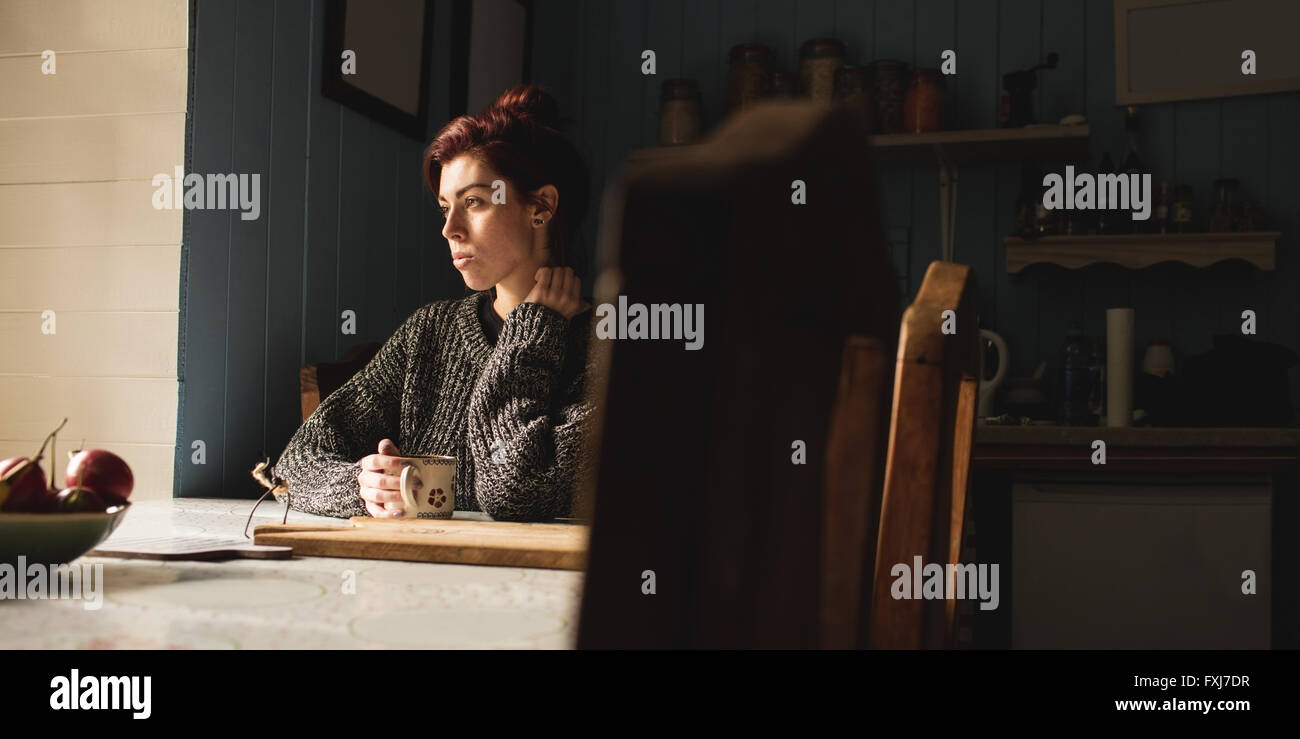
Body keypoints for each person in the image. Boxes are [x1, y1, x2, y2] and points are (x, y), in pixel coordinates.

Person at [253, 84, 597, 522]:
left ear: (541, 207)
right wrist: (365, 487)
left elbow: (515, 492)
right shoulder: (430, 332)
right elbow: (296, 464)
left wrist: (530, 337)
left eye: (473, 202)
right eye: (445, 207)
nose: (450, 229)